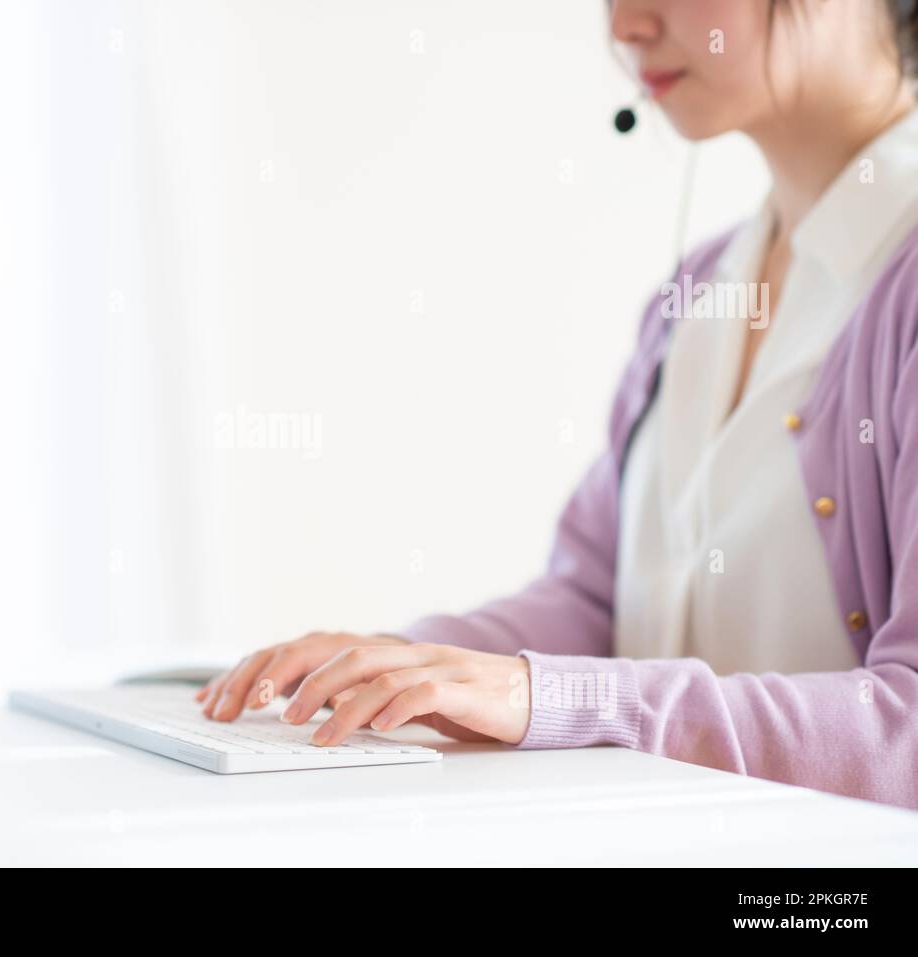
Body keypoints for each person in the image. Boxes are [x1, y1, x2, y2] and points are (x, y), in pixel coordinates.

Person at [196, 0, 918, 810]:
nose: (628, 26)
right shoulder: (699, 289)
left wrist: (553, 698)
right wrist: (406, 665)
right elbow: (596, 601)